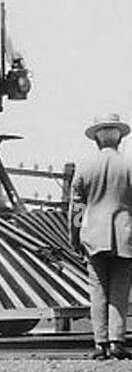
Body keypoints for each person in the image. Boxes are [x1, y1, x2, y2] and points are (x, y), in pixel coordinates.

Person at [71, 113, 132, 359]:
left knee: (98, 291)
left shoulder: (85, 167)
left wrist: (74, 236)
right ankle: (117, 342)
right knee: (119, 290)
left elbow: (76, 209)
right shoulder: (129, 165)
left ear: (96, 139)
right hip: (125, 236)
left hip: (94, 237)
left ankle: (100, 344)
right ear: (119, 138)